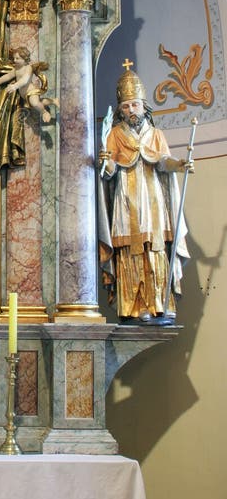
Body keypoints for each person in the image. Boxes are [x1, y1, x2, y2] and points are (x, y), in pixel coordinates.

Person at [98, 60, 192, 323]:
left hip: (152, 200)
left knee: (155, 248)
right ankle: (133, 305)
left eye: (135, 104)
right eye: (126, 106)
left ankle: (161, 303)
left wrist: (180, 164)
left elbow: (164, 161)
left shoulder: (156, 134)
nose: (131, 110)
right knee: (129, 250)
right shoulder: (115, 134)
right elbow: (109, 170)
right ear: (121, 109)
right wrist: (105, 163)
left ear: (143, 105)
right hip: (126, 201)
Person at [0, 47, 59, 123]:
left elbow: (25, 80)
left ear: (24, 59)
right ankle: (54, 101)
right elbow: (8, 76)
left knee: (35, 103)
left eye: (17, 58)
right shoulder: (16, 69)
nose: (15, 60)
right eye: (14, 58)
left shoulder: (28, 68)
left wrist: (15, 86)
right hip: (24, 95)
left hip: (31, 91)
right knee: (37, 103)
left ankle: (44, 112)